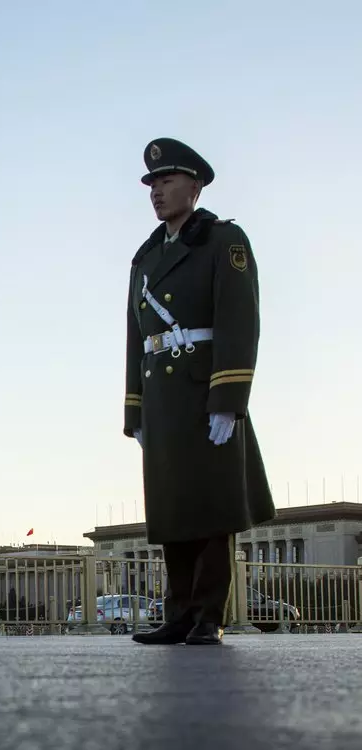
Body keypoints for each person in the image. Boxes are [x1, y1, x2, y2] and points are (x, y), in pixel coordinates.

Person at [123, 137, 275, 646]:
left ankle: (209, 614)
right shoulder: (145, 258)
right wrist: (135, 408)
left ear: (195, 185)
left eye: (166, 181)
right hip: (163, 396)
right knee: (174, 507)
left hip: (204, 387)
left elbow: (239, 320)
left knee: (211, 506)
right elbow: (135, 338)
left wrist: (229, 399)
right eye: (152, 184)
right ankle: (181, 613)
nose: (157, 192)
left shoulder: (222, 240)